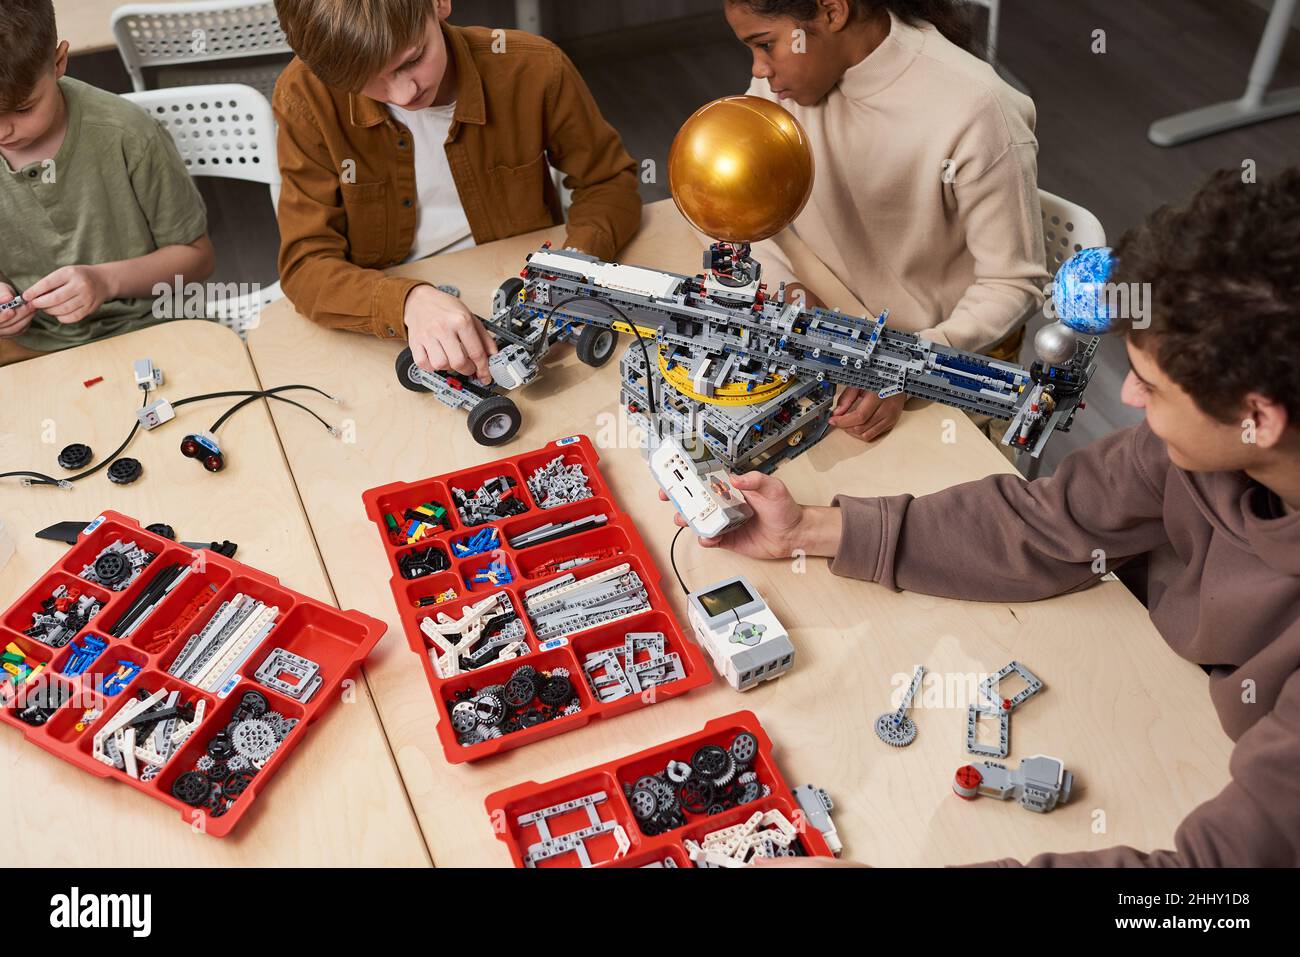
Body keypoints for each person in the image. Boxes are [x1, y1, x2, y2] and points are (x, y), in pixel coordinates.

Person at [667, 169, 1300, 866]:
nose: (1126, 393)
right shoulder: (1199, 448)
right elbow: (1051, 522)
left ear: (1257, 417)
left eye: (1150, 385)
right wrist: (809, 530)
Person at [725, 0, 1046, 443]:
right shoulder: (786, 87)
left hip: (940, 373)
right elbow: (736, 207)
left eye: (766, 45)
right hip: (836, 342)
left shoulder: (978, 109)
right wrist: (786, 287)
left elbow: (1014, 285)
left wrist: (903, 367)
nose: (760, 70)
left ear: (833, 11)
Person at [272, 0, 643, 382]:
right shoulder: (306, 96)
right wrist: (406, 302)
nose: (402, 93)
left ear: (439, 5)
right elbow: (306, 265)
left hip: (517, 283)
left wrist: (573, 268)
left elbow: (608, 181)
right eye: (367, 80)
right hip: (390, 319)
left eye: (412, 59)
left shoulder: (533, 68)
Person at [0, 0, 215, 367]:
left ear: (59, 63)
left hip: (147, 326)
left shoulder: (129, 134)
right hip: (32, 346)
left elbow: (198, 260)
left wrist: (105, 281)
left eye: (22, 109)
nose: (3, 130)